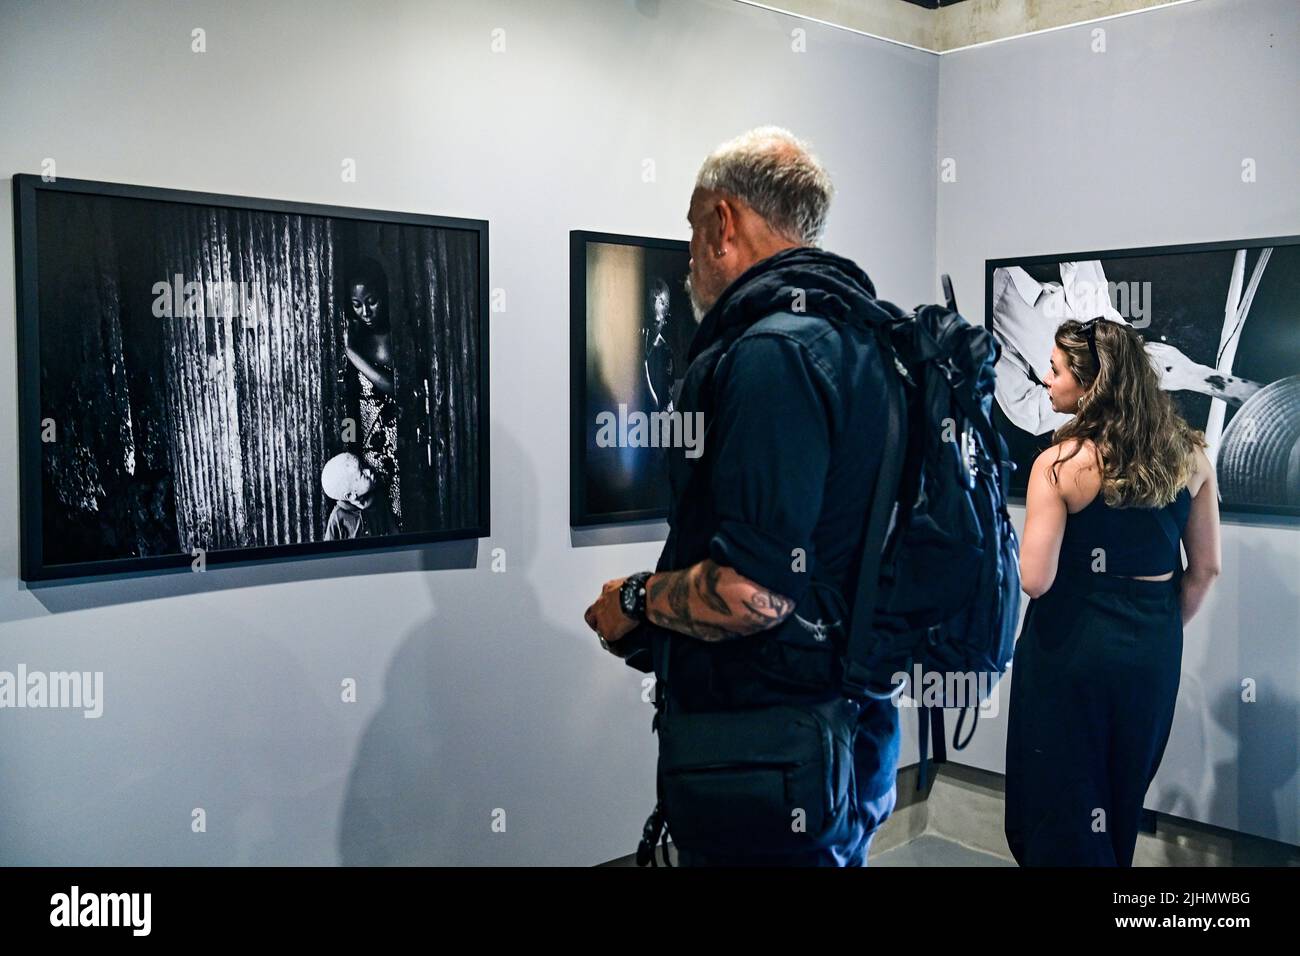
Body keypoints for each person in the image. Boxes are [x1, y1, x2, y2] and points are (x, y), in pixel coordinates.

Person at [582, 127, 901, 866]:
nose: (691, 253)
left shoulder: (771, 355)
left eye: (694, 228)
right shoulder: (861, 338)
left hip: (772, 752)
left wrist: (634, 600)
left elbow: (756, 592)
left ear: (722, 222)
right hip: (846, 730)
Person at [1005, 316, 1222, 866]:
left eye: (1055, 371)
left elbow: (1036, 579)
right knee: (1119, 794)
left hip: (1069, 646)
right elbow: (1206, 570)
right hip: (1151, 648)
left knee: (1061, 798)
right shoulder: (1191, 456)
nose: (1047, 381)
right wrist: (1157, 626)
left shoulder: (1058, 465)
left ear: (1090, 384)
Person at [343, 258, 402, 526]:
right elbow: (350, 400)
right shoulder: (355, 337)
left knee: (402, 514)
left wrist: (353, 355)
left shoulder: (398, 335)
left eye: (371, 301)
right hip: (369, 451)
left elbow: (396, 388)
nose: (365, 312)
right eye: (357, 305)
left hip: (398, 445)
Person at [321, 451, 397, 541]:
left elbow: (394, 533)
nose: (368, 471)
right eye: (362, 474)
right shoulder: (338, 517)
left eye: (363, 466)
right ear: (351, 495)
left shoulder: (379, 499)